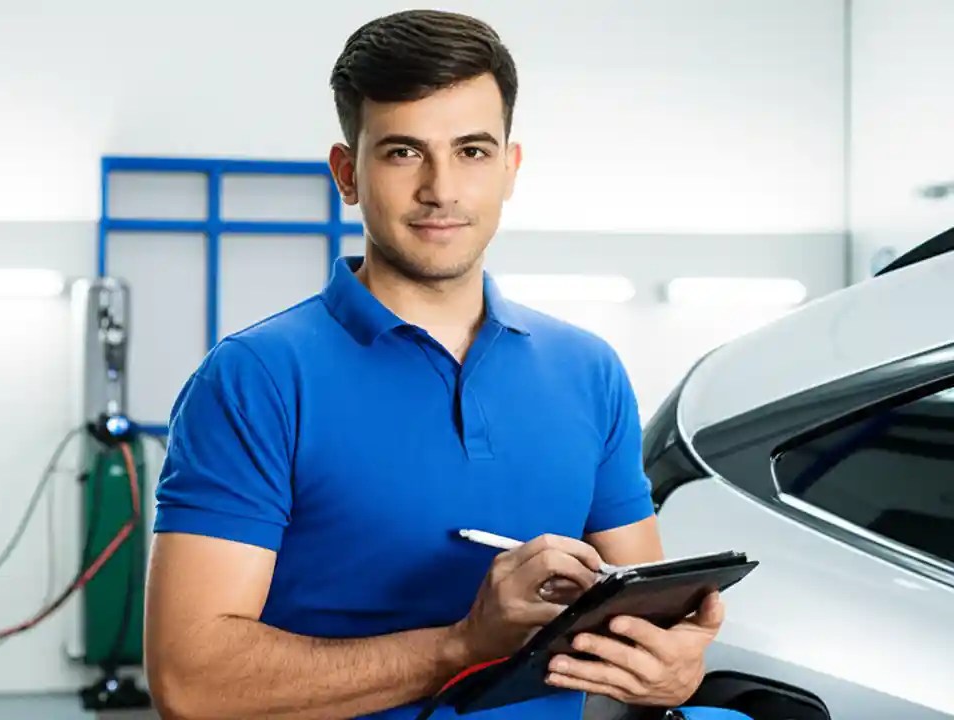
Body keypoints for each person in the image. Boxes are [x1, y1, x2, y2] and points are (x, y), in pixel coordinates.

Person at [143, 9, 725, 720]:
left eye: (473, 151)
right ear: (347, 173)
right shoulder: (254, 379)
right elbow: (191, 683)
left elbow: (648, 621)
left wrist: (673, 672)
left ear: (510, 169)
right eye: (402, 152)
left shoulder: (589, 371)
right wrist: (461, 645)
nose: (441, 188)